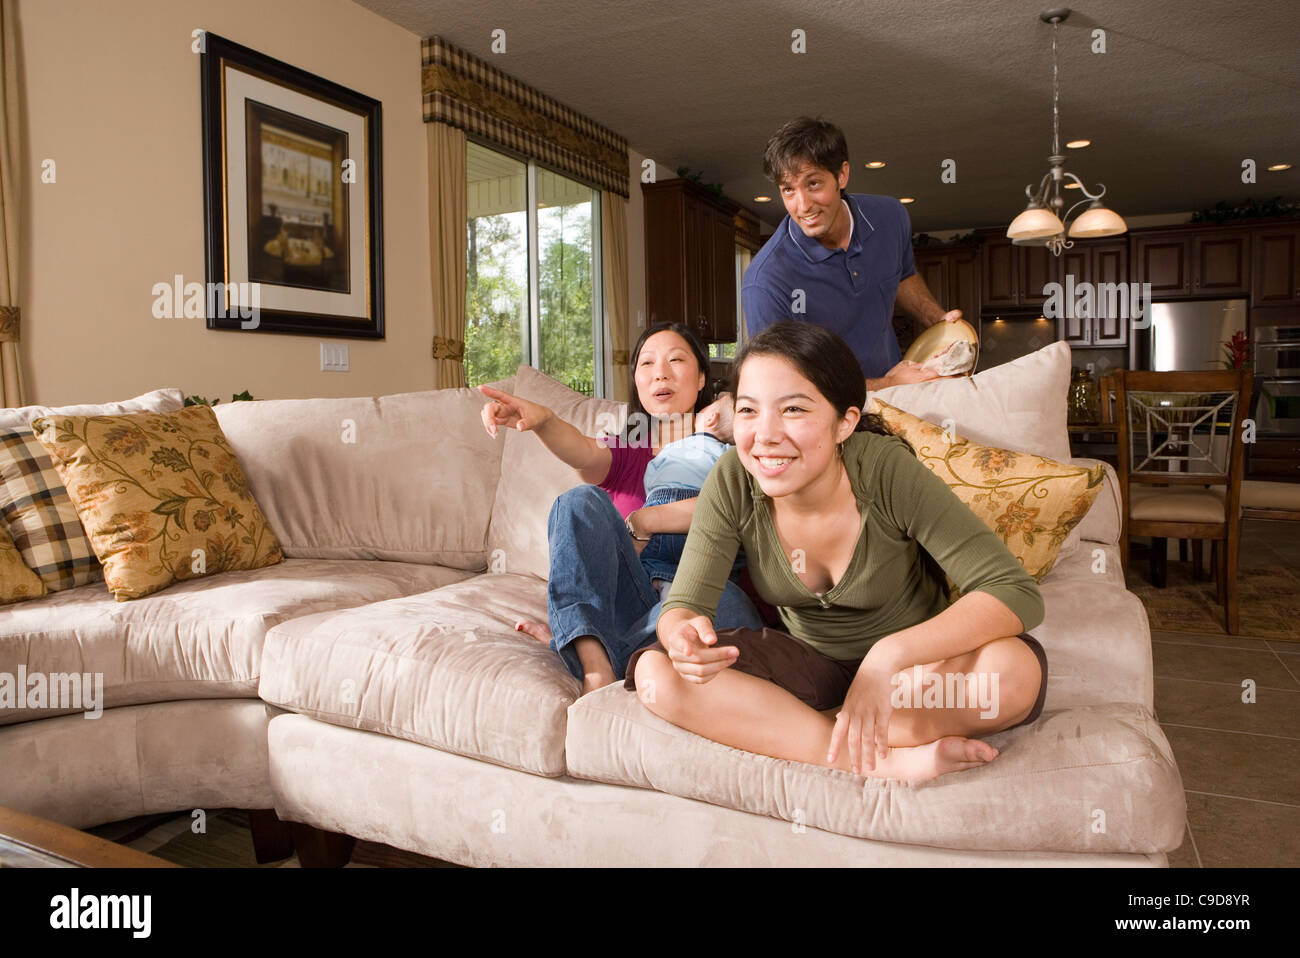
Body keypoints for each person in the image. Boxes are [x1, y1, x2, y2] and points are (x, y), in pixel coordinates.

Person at [626, 321, 1049, 782]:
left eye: (793, 409)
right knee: (655, 672)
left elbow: (1014, 592)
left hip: (916, 672)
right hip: (809, 668)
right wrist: (680, 637)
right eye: (748, 410)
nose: (764, 435)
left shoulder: (885, 470)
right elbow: (685, 606)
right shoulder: (733, 479)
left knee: (1013, 673)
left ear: (844, 422)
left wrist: (888, 657)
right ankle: (882, 759)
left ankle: (791, 728)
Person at [478, 322, 763, 695]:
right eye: (647, 364)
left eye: (676, 359)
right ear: (638, 383)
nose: (660, 371)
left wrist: (646, 520)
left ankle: (586, 641)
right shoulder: (628, 451)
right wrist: (544, 421)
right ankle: (595, 663)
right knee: (577, 501)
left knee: (729, 610)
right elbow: (582, 450)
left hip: (696, 595)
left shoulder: (732, 450)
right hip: (629, 595)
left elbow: (739, 508)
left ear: (700, 379)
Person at [742, 116, 967, 391]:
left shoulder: (889, 217)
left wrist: (937, 319)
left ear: (842, 175)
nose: (802, 206)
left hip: (899, 397)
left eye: (813, 184)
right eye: (788, 190)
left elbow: (902, 275)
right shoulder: (766, 281)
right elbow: (783, 382)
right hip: (827, 422)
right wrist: (888, 384)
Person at [637, 392, 746, 594]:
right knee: (726, 565)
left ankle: (661, 585)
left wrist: (654, 499)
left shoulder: (672, 447)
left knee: (651, 560)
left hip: (662, 505)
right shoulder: (729, 453)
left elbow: (651, 475)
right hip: (704, 520)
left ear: (711, 418)